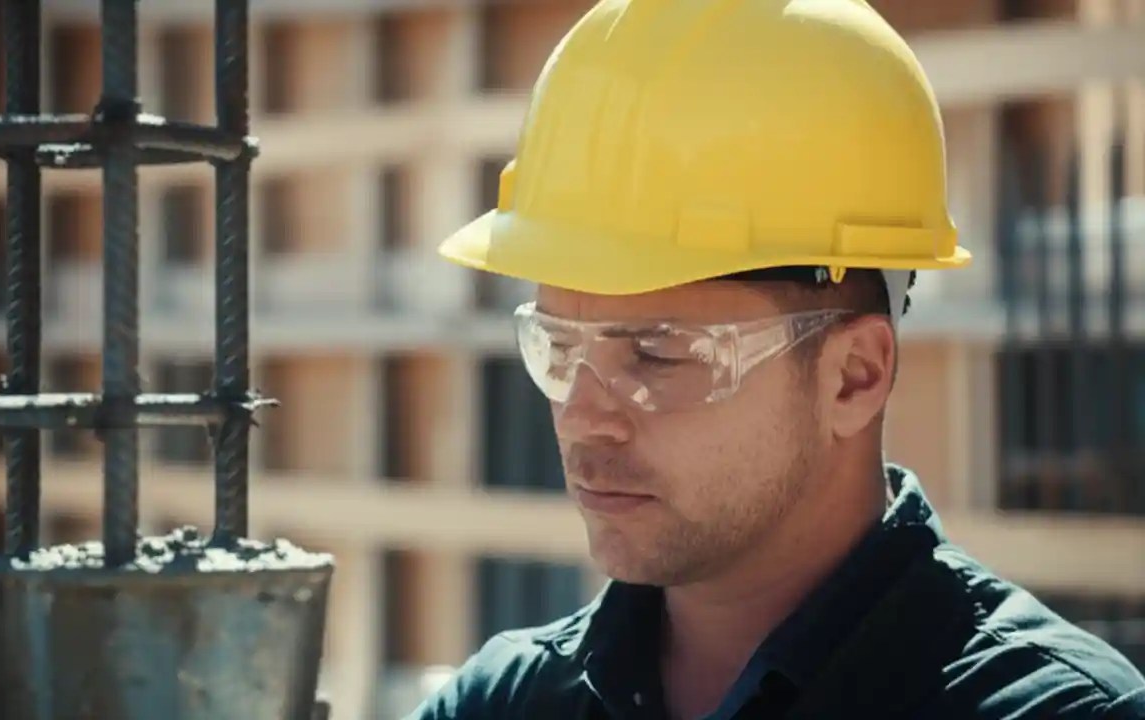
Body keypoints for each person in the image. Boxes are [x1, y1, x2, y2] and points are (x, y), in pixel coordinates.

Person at [405, 0, 1145, 718]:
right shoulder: (505, 701)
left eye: (658, 354)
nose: (583, 417)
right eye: (559, 348)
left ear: (853, 376)